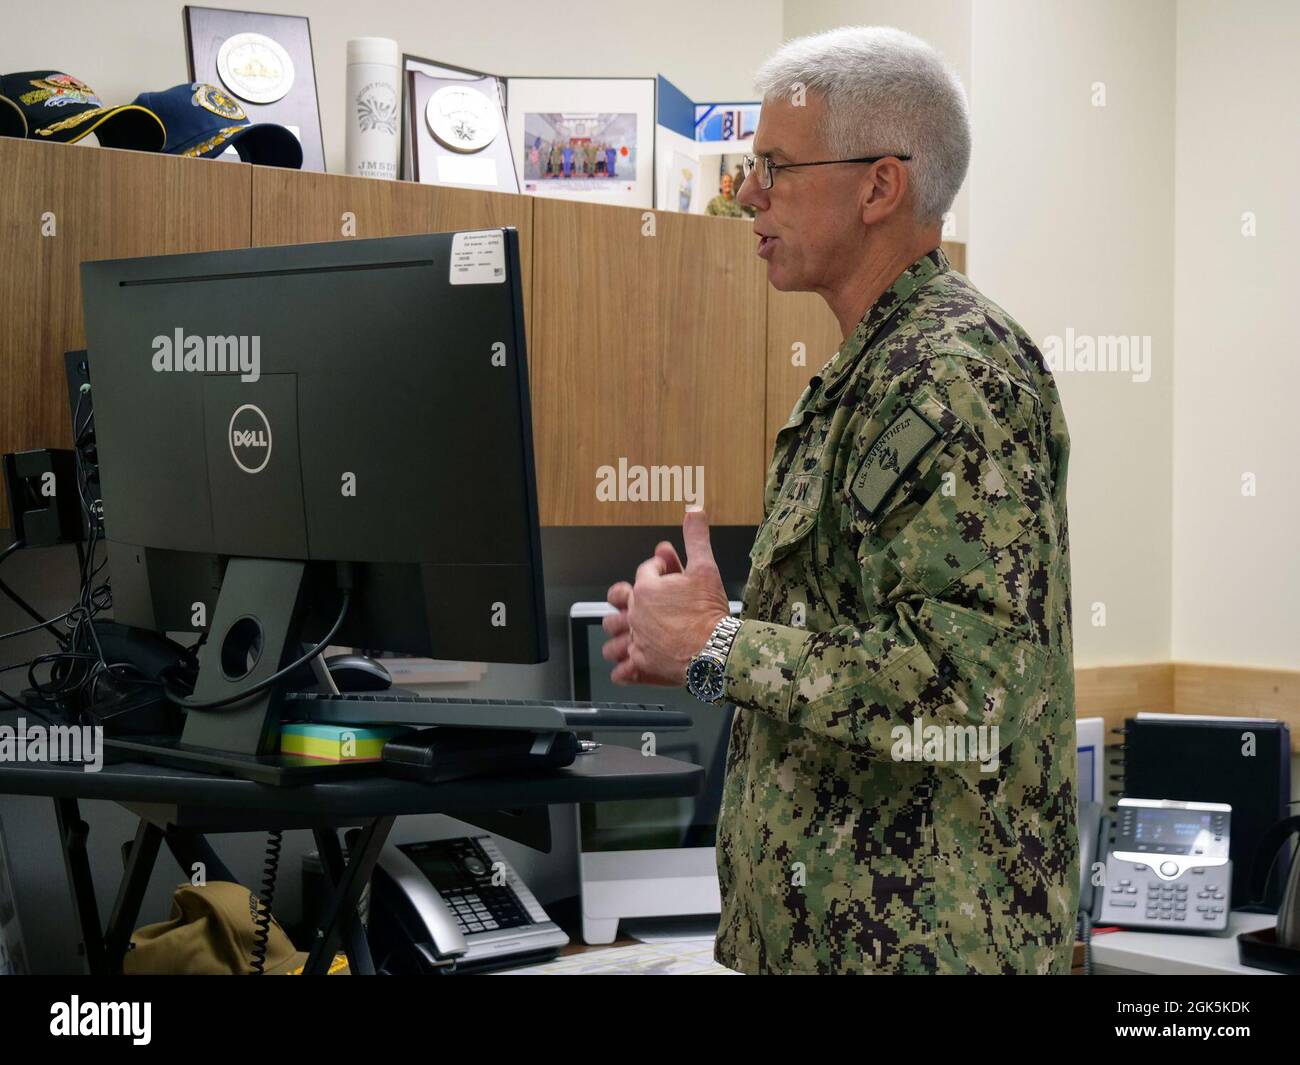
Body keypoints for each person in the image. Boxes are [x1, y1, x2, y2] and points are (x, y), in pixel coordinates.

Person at [601, 25, 1077, 975]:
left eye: (774, 166)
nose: (745, 193)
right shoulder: (870, 370)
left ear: (880, 186)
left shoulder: (952, 374)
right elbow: (852, 656)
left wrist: (720, 644)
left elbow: (965, 687)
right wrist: (702, 650)